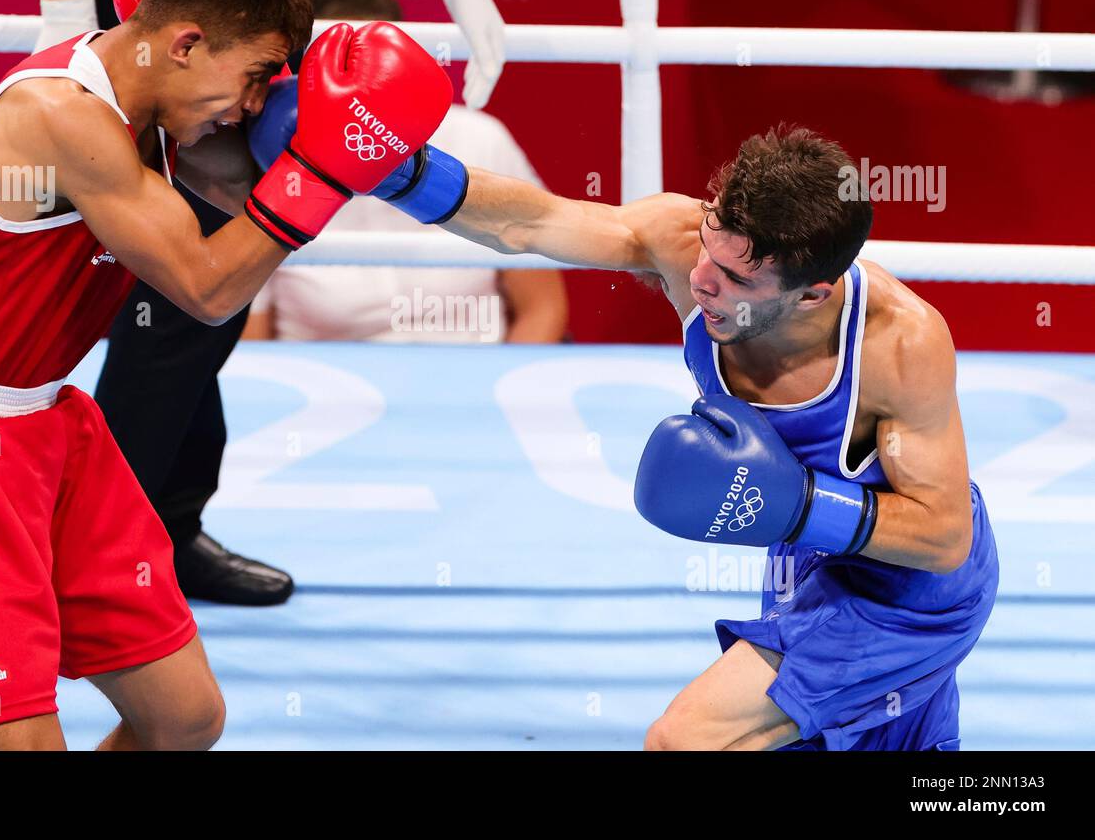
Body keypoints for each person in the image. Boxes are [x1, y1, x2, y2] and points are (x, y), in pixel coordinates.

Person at [0, 0, 451, 749]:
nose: (249, 107)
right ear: (187, 42)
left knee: (186, 719)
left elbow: (341, 187)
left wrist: (603, 230)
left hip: (54, 437)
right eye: (256, 77)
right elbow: (206, 288)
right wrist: (317, 177)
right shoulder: (65, 117)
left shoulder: (167, 114)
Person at [249, 111, 1000, 750]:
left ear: (813, 295)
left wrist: (799, 504)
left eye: (738, 279)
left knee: (685, 740)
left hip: (904, 596)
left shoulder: (899, 345)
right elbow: (532, 221)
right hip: (807, 566)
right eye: (710, 244)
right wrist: (396, 171)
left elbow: (942, 537)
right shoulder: (688, 246)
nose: (702, 279)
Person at [28, 0, 507, 605]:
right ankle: (94, 555)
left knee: (212, 280)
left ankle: (160, 527)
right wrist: (64, 9)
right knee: (178, 286)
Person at [245, 0, 566, 345]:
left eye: (378, 70)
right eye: (344, 74)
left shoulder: (481, 139)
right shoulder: (269, 160)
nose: (361, 93)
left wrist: (500, 400)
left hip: (474, 384)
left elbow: (542, 308)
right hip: (327, 390)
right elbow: (254, 343)